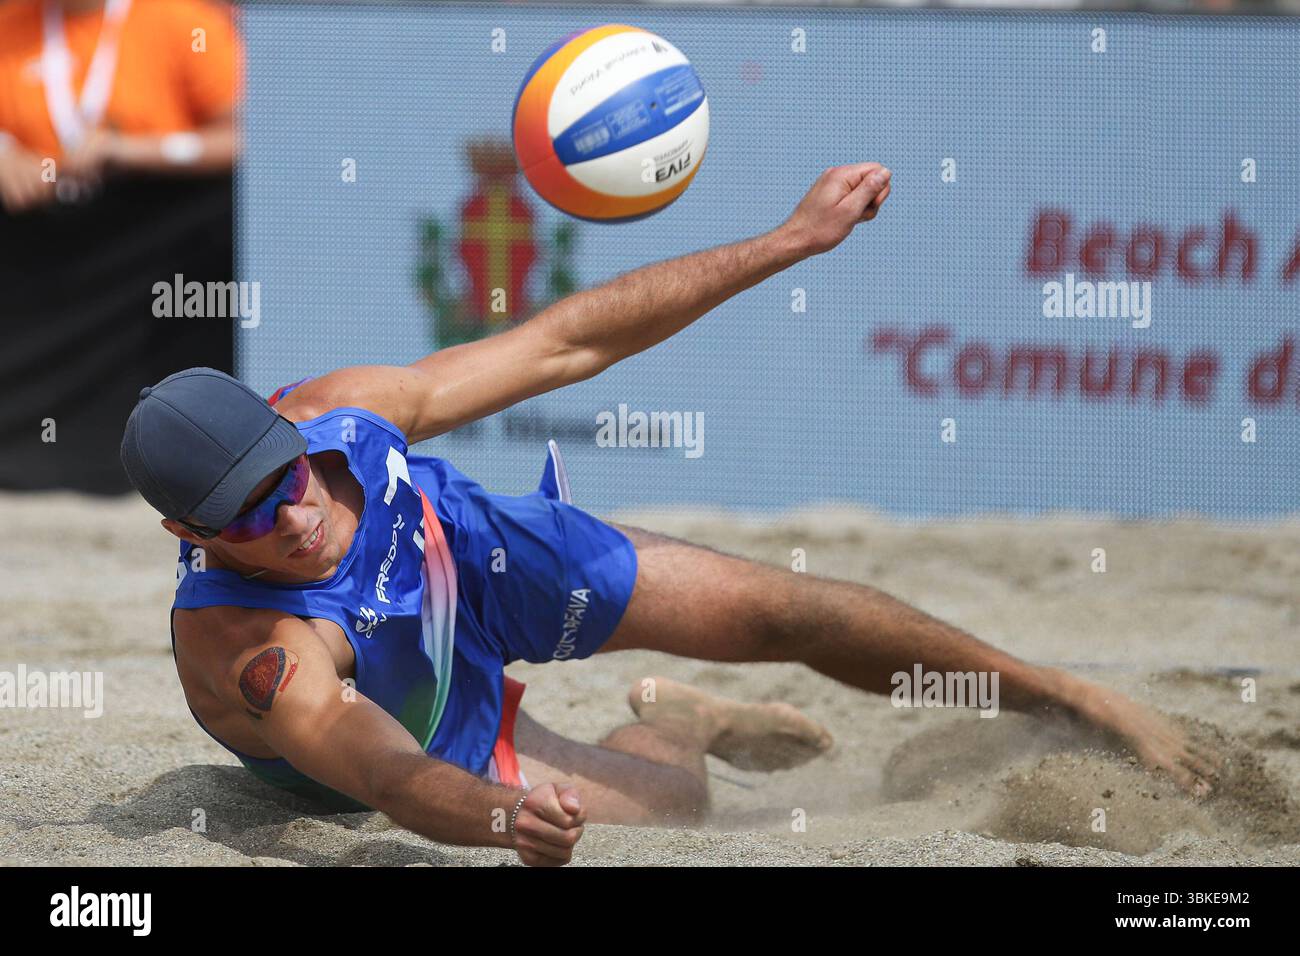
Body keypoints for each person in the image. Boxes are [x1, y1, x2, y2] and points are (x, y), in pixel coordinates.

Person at [122, 164, 1220, 867]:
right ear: (193, 538)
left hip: (474, 554)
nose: (292, 513)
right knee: (675, 801)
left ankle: (1069, 694)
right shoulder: (254, 648)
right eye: (248, 516)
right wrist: (505, 819)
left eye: (286, 475)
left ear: (284, 427)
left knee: (787, 609)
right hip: (421, 713)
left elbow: (567, 342)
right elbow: (382, 774)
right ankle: (680, 722)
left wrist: (784, 243)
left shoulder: (339, 417)